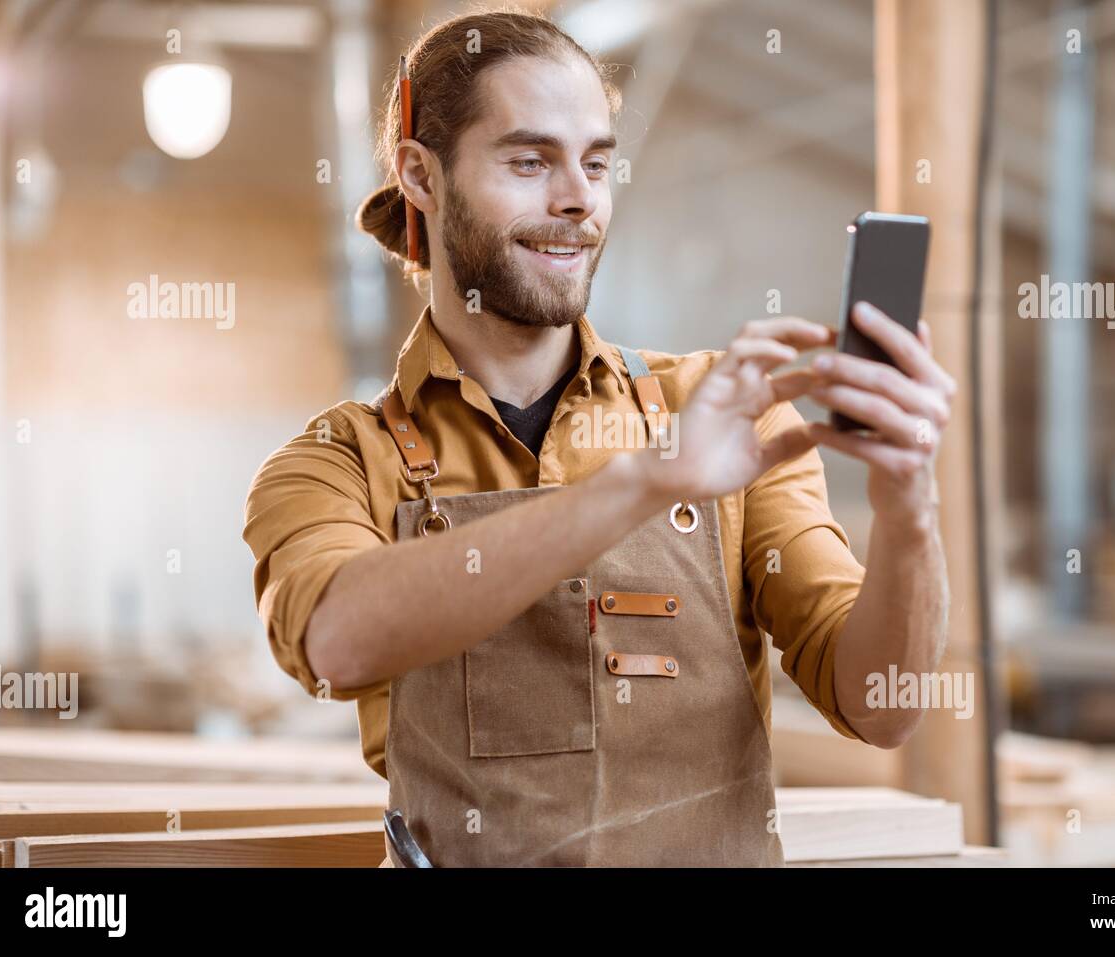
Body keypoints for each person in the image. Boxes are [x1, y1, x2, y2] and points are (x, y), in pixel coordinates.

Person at [243, 10, 954, 867]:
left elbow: (879, 704)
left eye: (597, 162)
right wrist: (644, 482)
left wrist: (909, 507)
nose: (577, 198)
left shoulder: (725, 415)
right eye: (529, 161)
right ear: (421, 177)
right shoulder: (336, 462)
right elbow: (337, 639)